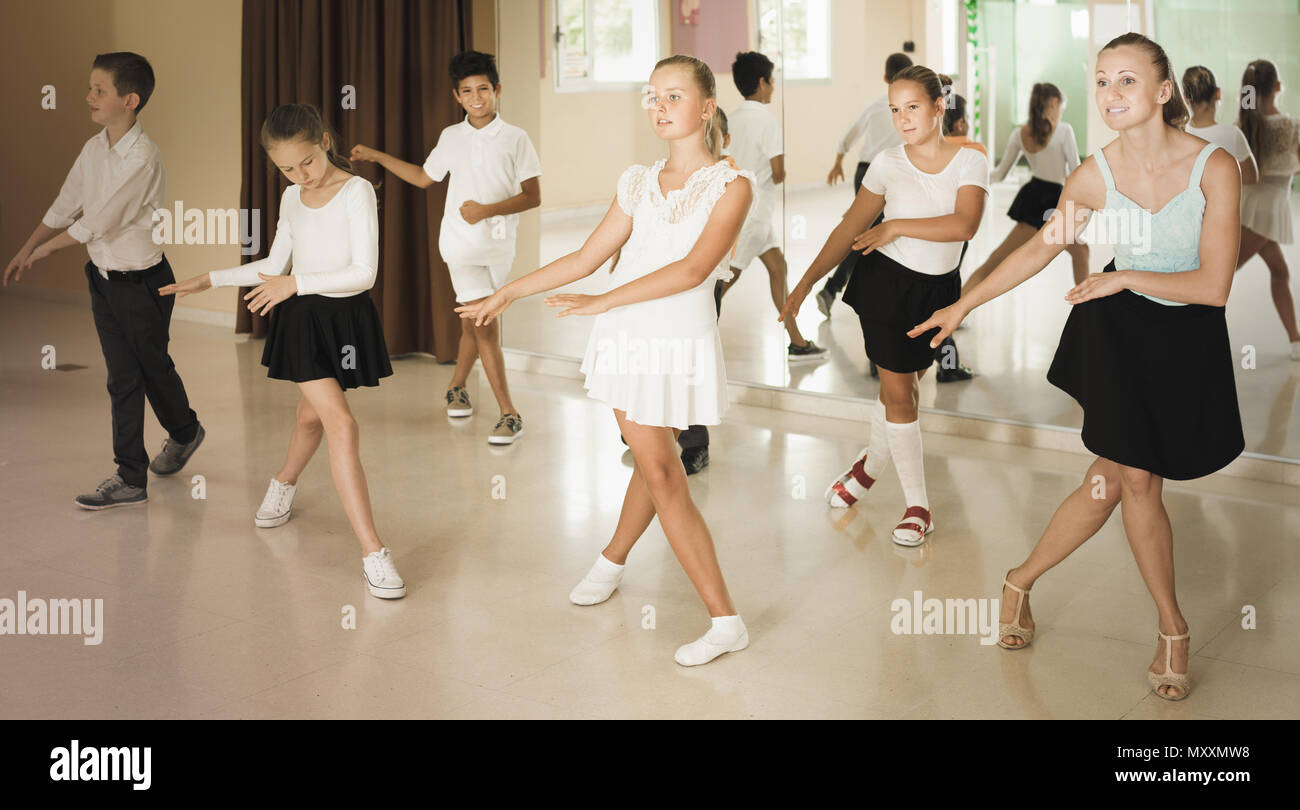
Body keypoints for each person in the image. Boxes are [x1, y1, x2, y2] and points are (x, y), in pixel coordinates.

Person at [911, 33, 1245, 700]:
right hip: (1118, 337)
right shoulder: (1095, 172)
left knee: (1109, 479)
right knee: (1137, 479)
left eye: (1127, 80)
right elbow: (1039, 250)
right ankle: (1173, 630)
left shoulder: (1215, 166)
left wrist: (1125, 278)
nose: (1111, 93)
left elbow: (1214, 285)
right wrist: (963, 303)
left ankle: (1018, 580)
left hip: (1182, 334)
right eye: (1102, 80)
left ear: (1162, 91)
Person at [458, 55, 752, 666]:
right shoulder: (636, 181)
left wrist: (605, 301)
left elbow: (694, 270)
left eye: (674, 96)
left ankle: (723, 620)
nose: (660, 106)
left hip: (674, 337)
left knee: (661, 468)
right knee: (657, 464)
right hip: (625, 335)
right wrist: (508, 291)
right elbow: (586, 256)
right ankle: (615, 563)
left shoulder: (732, 185)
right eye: (652, 96)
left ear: (707, 108)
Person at [160, 104, 407, 600]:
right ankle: (373, 552)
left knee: (312, 418)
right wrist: (212, 278)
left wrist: (295, 282)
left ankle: (283, 483)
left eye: (307, 163)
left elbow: (365, 273)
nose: (300, 176)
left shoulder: (357, 192)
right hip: (302, 320)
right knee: (341, 422)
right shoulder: (293, 198)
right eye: (286, 169)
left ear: (325, 142)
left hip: (345, 318)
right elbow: (274, 262)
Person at [781, 64, 989, 546]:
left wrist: (895, 226)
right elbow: (847, 228)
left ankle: (867, 470)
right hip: (887, 288)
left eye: (912, 107)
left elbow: (964, 225)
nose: (902, 118)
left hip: (938, 291)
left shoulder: (969, 160)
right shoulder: (887, 163)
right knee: (902, 396)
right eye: (895, 110)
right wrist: (805, 284)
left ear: (940, 106)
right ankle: (918, 507)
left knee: (903, 391)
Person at [3, 52, 204, 510]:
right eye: (91, 88)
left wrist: (44, 251)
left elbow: (99, 221)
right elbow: (66, 203)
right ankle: (135, 472)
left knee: (150, 370)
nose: (88, 97)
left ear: (129, 100)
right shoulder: (94, 148)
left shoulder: (144, 158)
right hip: (103, 279)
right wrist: (27, 245)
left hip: (143, 284)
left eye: (99, 90)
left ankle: (183, 434)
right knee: (124, 377)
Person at [351, 50, 543, 440]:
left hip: (500, 246)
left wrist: (487, 210)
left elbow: (532, 196)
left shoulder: (515, 138)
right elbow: (424, 177)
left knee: (473, 323)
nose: (476, 97)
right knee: (484, 325)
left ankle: (456, 386)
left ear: (497, 90)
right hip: (459, 245)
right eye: (467, 91)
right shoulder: (451, 137)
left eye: (484, 89)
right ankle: (509, 412)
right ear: (457, 96)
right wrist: (374, 155)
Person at [716, 51, 825, 362]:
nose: (774, 88)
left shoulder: (732, 119)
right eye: (773, 81)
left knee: (779, 269)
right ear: (762, 83)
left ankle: (798, 342)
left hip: (744, 212)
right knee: (724, 282)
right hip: (755, 215)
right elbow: (778, 174)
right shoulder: (767, 122)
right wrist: (773, 173)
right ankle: (690, 335)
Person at [962, 83, 1088, 292]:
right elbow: (1075, 171)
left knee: (998, 259)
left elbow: (998, 175)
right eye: (1061, 109)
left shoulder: (1019, 134)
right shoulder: (1064, 130)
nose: (1060, 115)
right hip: (1053, 201)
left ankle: (959, 301)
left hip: (1034, 198)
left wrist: (968, 177)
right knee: (1081, 252)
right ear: (1054, 103)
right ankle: (1088, 308)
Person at [817, 52, 914, 319]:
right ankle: (835, 289)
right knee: (871, 235)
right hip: (891, 173)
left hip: (865, 170)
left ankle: (836, 289)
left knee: (867, 231)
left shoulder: (875, 106)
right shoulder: (914, 107)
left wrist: (838, 161)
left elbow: (850, 134)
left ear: (885, 78)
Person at [1234, 59, 1300, 359]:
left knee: (1279, 271)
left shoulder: (1243, 126)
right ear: (1277, 86)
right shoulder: (1290, 125)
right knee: (1220, 276)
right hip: (1264, 214)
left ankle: (1295, 340)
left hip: (1251, 208)